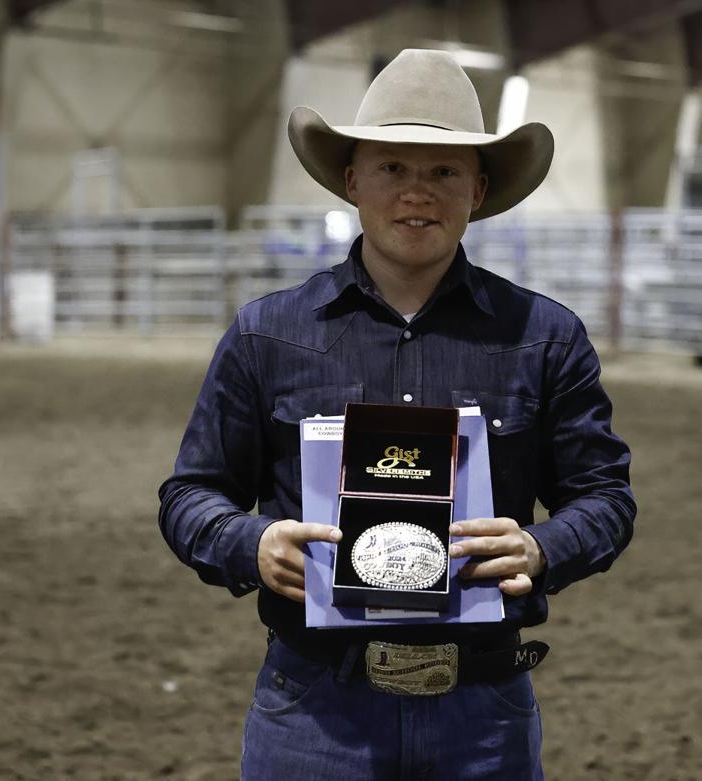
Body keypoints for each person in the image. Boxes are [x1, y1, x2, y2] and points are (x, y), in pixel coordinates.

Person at [159, 48, 635, 780]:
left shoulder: (544, 337)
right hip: (314, 707)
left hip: (482, 712)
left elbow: (605, 499)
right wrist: (249, 543)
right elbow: (189, 495)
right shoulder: (266, 335)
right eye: (392, 168)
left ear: (477, 188)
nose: (418, 193)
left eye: (443, 171)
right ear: (352, 180)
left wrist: (541, 549)